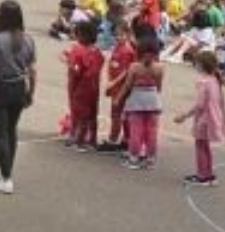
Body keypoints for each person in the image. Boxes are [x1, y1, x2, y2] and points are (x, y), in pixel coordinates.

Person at [0, 0, 37, 194]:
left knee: (0, 133)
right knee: (11, 130)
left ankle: (6, 178)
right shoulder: (27, 39)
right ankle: (6, 167)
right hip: (18, 85)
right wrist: (31, 92)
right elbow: (33, 70)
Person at [174, 50, 225, 187]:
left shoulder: (203, 82)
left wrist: (184, 115)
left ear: (201, 65)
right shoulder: (215, 80)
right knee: (205, 147)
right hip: (212, 118)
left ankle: (202, 176)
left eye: (196, 63)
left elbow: (199, 105)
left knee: (200, 147)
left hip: (204, 120)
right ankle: (208, 174)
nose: (195, 65)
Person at [113, 34, 165, 169]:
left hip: (137, 99)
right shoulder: (160, 68)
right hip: (153, 99)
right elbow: (159, 86)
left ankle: (134, 158)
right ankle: (150, 159)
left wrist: (118, 98)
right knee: (152, 132)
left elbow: (127, 85)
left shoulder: (134, 67)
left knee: (136, 131)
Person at [97, 19, 138, 152]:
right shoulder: (118, 47)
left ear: (128, 34)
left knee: (117, 114)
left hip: (121, 87)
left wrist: (113, 82)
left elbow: (126, 70)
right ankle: (125, 139)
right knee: (119, 113)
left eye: (121, 35)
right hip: (115, 85)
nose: (118, 37)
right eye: (116, 35)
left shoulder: (127, 50)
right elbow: (112, 64)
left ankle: (113, 140)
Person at [63, 19, 104, 149]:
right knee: (92, 113)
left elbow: (76, 70)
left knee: (79, 113)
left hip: (80, 87)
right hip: (94, 87)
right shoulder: (97, 52)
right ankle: (91, 139)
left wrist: (69, 61)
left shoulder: (78, 51)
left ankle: (78, 138)